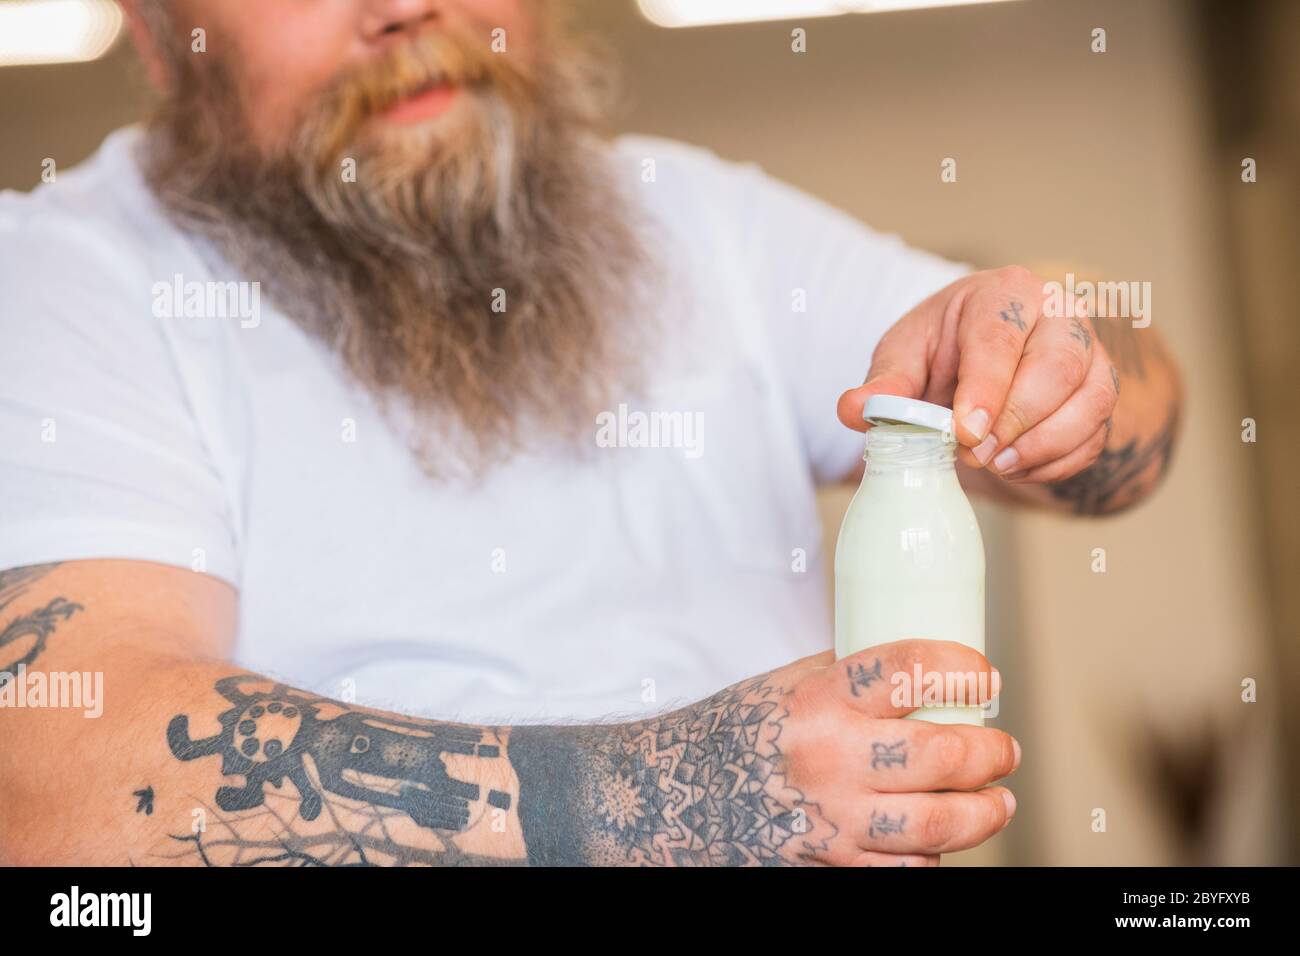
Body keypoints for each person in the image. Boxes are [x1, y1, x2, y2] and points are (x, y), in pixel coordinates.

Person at [0, 0, 1182, 866]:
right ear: (157, 35)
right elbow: (60, 791)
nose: (403, 10)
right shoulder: (64, 279)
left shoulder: (696, 222)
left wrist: (1052, 340)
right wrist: (665, 794)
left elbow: (1143, 417)